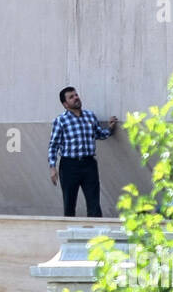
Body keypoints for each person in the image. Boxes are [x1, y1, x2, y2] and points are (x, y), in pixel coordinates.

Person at [48, 86, 119, 218]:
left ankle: (96, 236)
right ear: (65, 104)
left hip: (89, 164)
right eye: (71, 97)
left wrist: (109, 128)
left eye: (76, 95)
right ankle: (70, 235)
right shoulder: (61, 120)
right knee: (69, 205)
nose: (76, 98)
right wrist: (52, 167)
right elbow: (53, 145)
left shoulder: (90, 116)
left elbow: (98, 134)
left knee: (94, 204)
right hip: (69, 166)